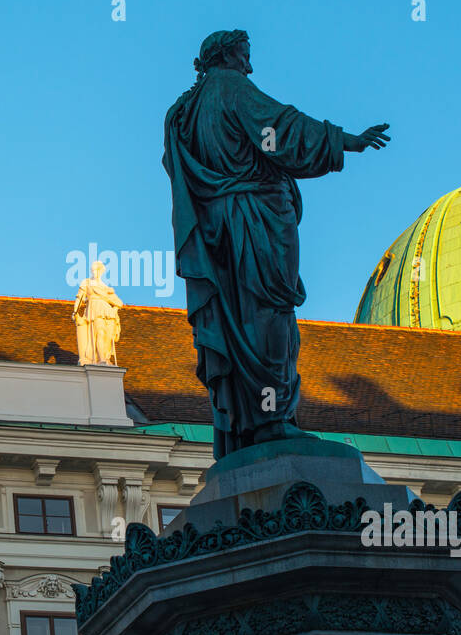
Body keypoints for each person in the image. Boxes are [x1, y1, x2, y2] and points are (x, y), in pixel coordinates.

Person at [162, 29, 390, 459]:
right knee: (270, 315)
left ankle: (242, 427)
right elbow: (280, 129)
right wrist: (344, 140)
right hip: (255, 220)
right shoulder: (230, 88)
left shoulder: (181, 113)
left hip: (217, 232)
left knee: (236, 322)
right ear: (229, 55)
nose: (250, 64)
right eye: (245, 55)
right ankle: (272, 419)